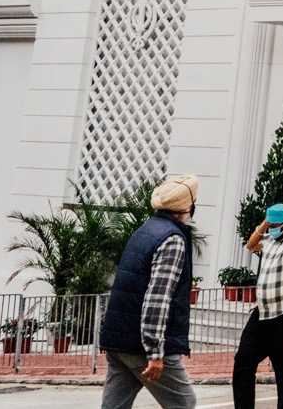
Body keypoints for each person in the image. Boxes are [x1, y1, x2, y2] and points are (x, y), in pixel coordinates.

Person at [99, 175, 201, 409]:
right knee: (184, 403)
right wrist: (155, 352)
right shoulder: (172, 239)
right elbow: (157, 299)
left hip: (118, 340)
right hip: (142, 345)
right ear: (187, 207)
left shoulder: (146, 229)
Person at [235, 203, 283, 409]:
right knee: (243, 361)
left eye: (277, 224)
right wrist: (265, 224)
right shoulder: (268, 239)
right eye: (272, 224)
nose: (273, 228)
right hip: (262, 311)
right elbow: (251, 245)